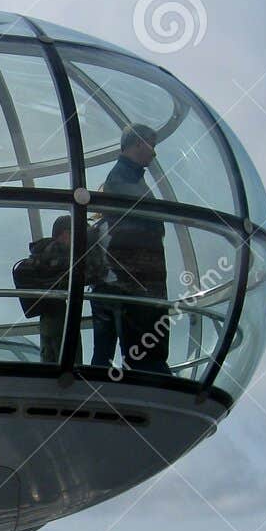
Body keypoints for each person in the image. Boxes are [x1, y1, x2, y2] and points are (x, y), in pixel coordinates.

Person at [91, 123, 170, 374]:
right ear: (138, 144)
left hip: (138, 283)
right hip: (135, 284)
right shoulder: (121, 181)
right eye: (151, 146)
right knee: (144, 359)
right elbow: (137, 227)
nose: (154, 153)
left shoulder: (128, 179)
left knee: (116, 355)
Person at [12, 214, 73, 363]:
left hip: (46, 312)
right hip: (56, 311)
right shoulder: (58, 251)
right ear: (66, 234)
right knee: (68, 359)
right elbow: (70, 276)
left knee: (49, 359)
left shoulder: (42, 250)